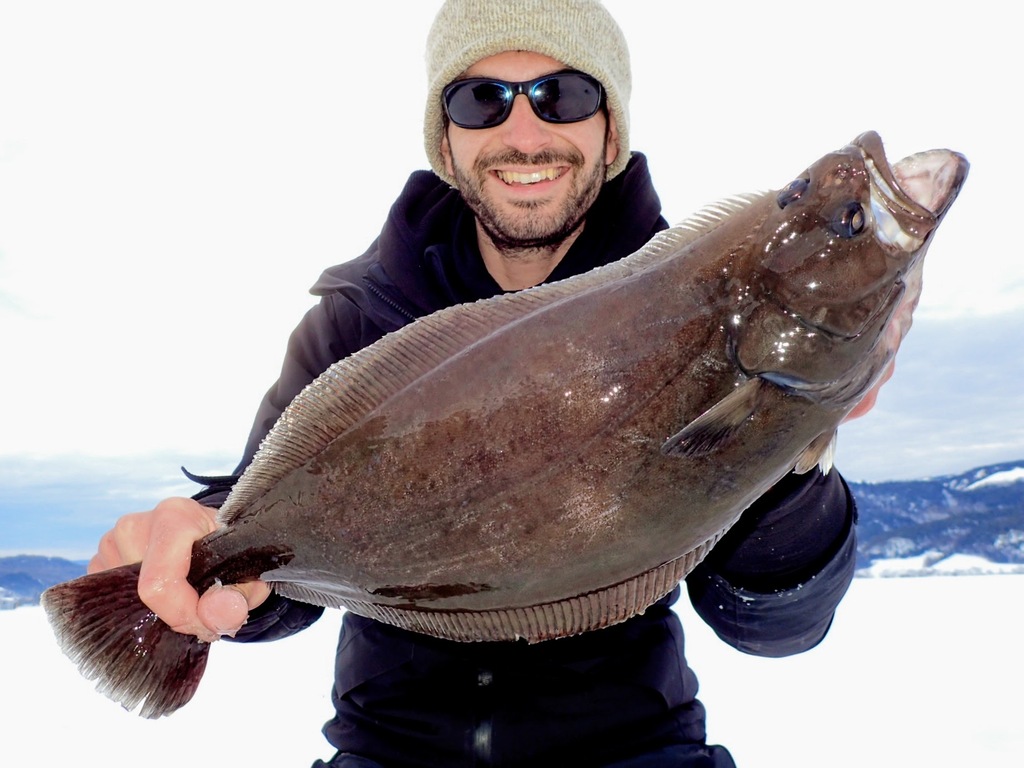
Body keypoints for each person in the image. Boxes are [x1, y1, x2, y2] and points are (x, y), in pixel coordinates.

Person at [89, 2, 897, 766]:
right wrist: (200, 558)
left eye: (563, 95)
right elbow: (277, 568)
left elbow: (776, 628)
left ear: (610, 130)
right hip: (386, 745)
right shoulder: (353, 323)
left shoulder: (707, 309)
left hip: (636, 745)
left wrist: (787, 448)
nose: (524, 130)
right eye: (482, 100)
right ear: (446, 141)